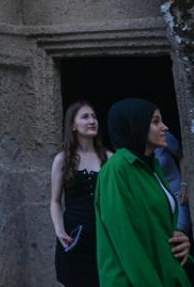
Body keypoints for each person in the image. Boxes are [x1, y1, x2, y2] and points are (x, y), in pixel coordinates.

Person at [95, 98, 191, 287]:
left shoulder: (152, 164)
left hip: (164, 273)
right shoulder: (117, 169)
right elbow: (127, 242)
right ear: (136, 125)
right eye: (156, 121)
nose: (164, 128)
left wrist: (181, 240)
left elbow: (156, 223)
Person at [50, 101, 110, 287]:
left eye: (94, 116)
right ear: (73, 125)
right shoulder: (62, 159)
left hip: (103, 235)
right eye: (85, 117)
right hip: (74, 236)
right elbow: (55, 201)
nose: (92, 121)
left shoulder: (109, 158)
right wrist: (59, 230)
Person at [155, 130, 191, 234]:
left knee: (180, 234)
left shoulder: (162, 134)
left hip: (178, 197)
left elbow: (183, 157)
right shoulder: (130, 149)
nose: (163, 126)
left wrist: (184, 185)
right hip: (157, 206)